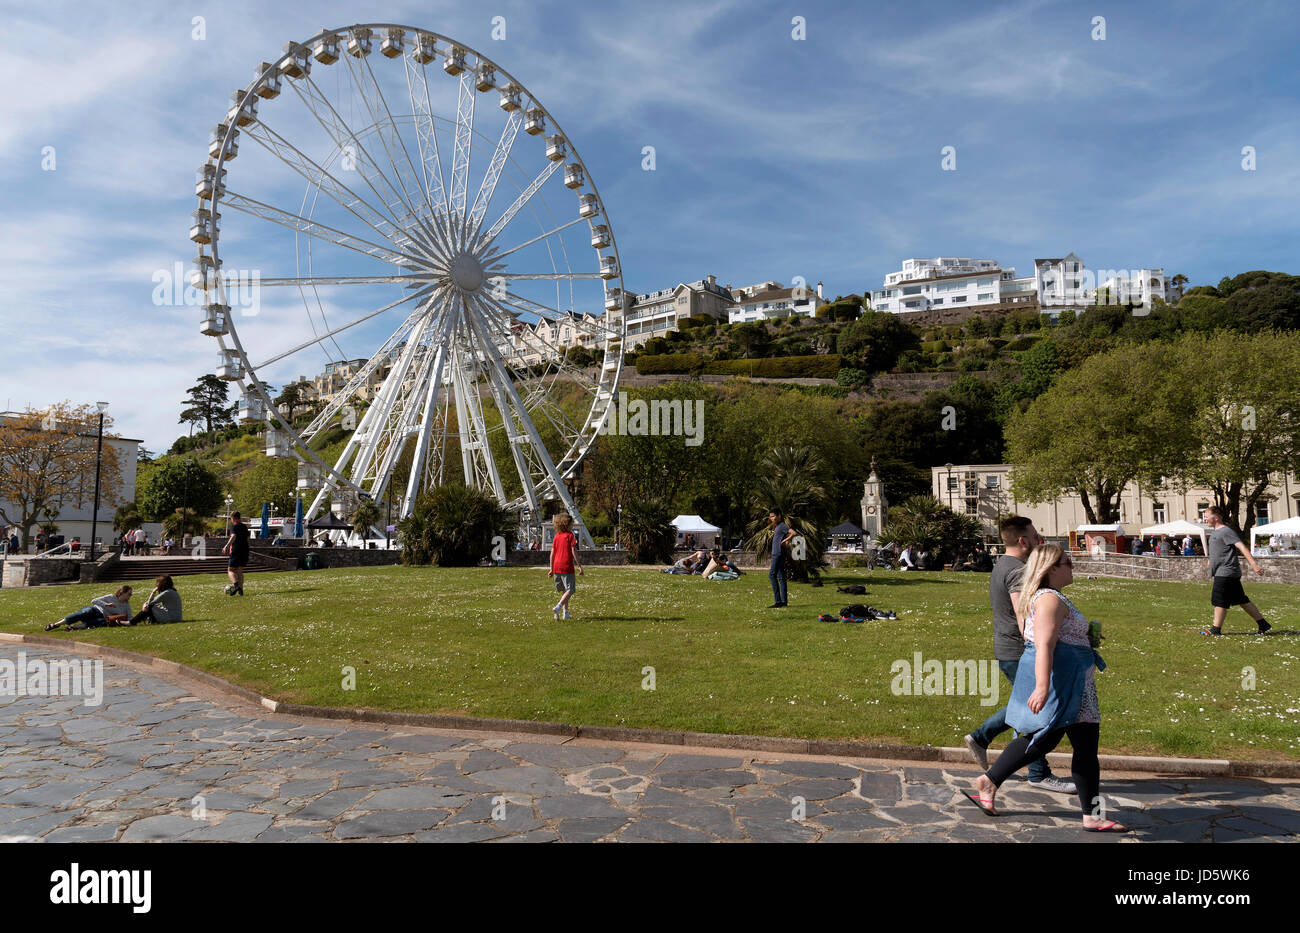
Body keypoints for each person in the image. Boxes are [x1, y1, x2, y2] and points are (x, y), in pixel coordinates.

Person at [965, 544, 1126, 832]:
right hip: (1064, 686)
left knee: (1073, 747)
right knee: (1058, 744)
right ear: (1051, 568)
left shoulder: (1052, 597)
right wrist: (1041, 687)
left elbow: (1058, 639)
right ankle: (991, 781)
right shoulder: (1049, 599)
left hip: (1077, 685)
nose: (1072, 565)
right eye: (1067, 562)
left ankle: (1091, 815)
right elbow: (1043, 645)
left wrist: (1086, 638)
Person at [963, 517, 1075, 794]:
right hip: (1018, 650)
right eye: (1035, 535)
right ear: (1023, 540)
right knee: (1035, 710)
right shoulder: (1018, 571)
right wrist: (1041, 644)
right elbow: (1022, 613)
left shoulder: (1003, 563)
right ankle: (1034, 771)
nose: (1040, 540)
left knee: (1026, 706)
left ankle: (984, 739)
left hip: (1007, 647)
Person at [1202, 506, 1270, 635]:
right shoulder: (1215, 532)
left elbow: (1242, 547)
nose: (1204, 518)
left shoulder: (1226, 531)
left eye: (1206, 516)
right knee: (1242, 600)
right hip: (1224, 571)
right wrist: (1211, 560)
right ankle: (1263, 624)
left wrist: (1254, 565)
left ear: (1215, 517)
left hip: (1226, 571)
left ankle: (1215, 630)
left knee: (1219, 600)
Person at [45, 586, 133, 631]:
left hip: (104, 618)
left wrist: (122, 621)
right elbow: (94, 601)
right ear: (122, 593)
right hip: (96, 610)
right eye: (129, 594)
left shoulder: (126, 605)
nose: (130, 596)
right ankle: (56, 624)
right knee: (86, 612)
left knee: (101, 622)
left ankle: (74, 628)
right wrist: (106, 605)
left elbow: (129, 618)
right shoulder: (111, 597)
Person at [548, 512, 582, 620]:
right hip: (566, 565)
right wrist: (579, 565)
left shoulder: (557, 536)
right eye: (572, 524)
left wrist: (551, 568)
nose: (573, 526)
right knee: (570, 589)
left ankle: (565, 613)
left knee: (564, 591)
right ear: (567, 525)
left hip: (557, 566)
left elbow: (552, 553)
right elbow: (574, 550)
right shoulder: (570, 535)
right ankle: (558, 607)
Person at [767, 509, 796, 608]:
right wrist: (785, 540)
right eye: (770, 516)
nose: (771, 518)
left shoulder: (782, 525)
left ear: (779, 516)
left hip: (778, 553)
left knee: (772, 575)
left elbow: (793, 533)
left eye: (773, 516)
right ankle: (784, 602)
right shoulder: (778, 526)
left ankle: (778, 601)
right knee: (781, 577)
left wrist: (785, 540)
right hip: (778, 553)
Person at [223, 510, 250, 596]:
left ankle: (236, 585)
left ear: (233, 518)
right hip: (245, 550)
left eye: (230, 518)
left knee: (230, 570)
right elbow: (248, 538)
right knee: (239, 571)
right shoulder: (244, 526)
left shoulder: (234, 526)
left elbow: (233, 536)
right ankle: (240, 591)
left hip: (236, 550)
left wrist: (227, 546)